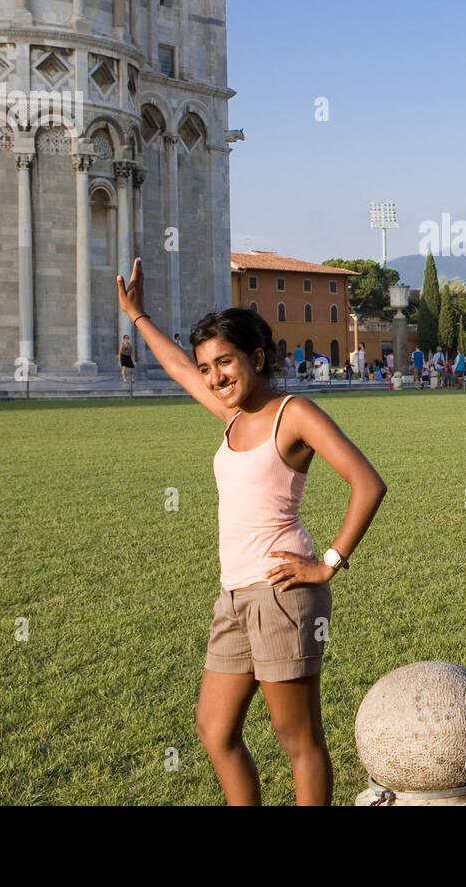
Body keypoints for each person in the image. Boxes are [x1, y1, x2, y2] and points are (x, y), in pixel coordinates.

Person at [115, 257, 386, 806]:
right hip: (233, 595)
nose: (215, 377)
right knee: (215, 731)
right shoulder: (233, 415)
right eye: (208, 367)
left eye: (225, 362)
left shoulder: (295, 414)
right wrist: (139, 317)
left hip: (284, 596)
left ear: (256, 358)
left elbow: (368, 483)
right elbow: (177, 370)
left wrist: (327, 563)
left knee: (298, 739)